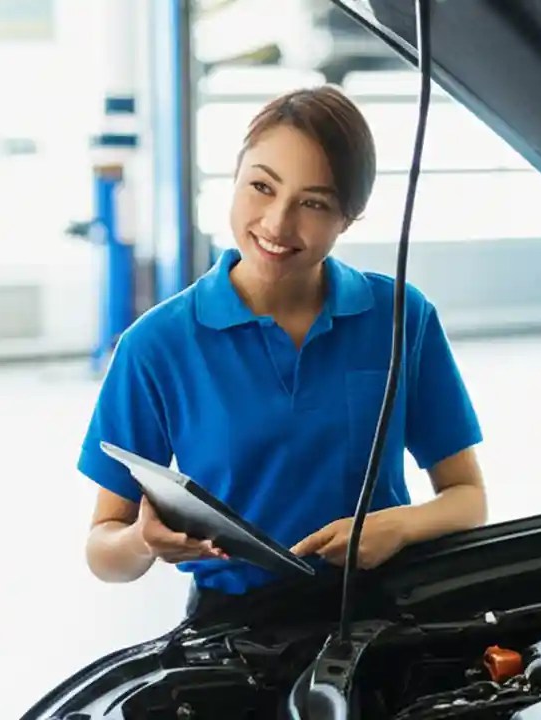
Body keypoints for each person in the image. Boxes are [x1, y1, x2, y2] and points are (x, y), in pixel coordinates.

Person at [79, 85, 487, 614]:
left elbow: (468, 498)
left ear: (350, 216)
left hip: (385, 615)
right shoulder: (155, 345)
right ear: (234, 179)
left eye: (313, 203)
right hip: (236, 629)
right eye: (261, 187)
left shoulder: (402, 317)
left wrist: (397, 525)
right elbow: (103, 551)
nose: (277, 223)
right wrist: (141, 540)